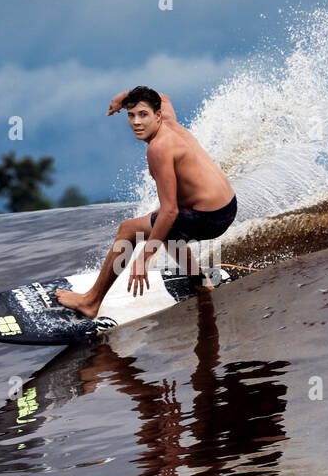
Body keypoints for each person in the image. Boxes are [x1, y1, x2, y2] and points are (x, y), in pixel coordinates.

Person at [55, 86, 237, 319]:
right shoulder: (169, 118)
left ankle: (91, 301)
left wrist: (143, 258)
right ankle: (198, 279)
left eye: (143, 115)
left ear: (157, 115)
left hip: (209, 218)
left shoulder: (159, 148)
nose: (136, 122)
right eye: (131, 115)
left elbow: (170, 212)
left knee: (130, 228)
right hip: (227, 206)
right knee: (159, 221)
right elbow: (164, 97)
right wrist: (123, 97)